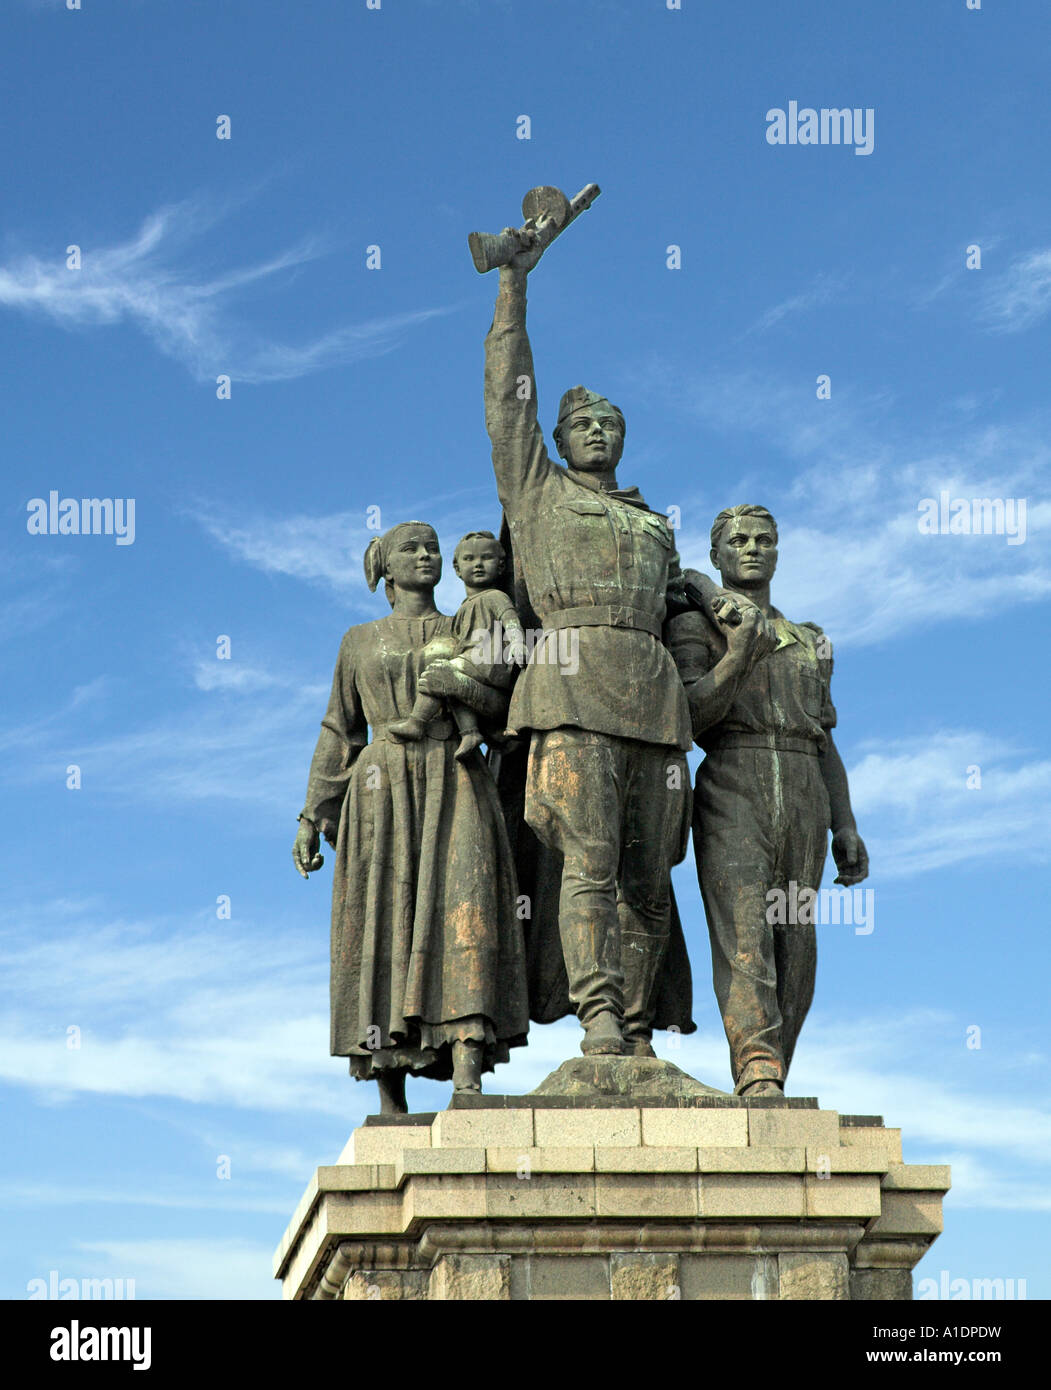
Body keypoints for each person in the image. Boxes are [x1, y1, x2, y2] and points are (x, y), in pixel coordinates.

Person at [482, 235, 699, 1059]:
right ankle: (599, 1014)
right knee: (590, 863)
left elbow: (684, 601)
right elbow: (508, 399)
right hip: (569, 692)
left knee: (649, 879)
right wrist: (513, 286)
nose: (597, 432)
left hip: (654, 700)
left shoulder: (651, 524)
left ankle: (639, 1024)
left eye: (609, 423)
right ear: (562, 439)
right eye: (582, 424)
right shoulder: (536, 491)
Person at [291, 521, 529, 1113]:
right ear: (385, 569)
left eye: (431, 548)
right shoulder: (359, 640)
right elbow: (338, 729)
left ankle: (468, 1075)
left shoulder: (467, 620)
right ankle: (387, 1089)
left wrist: (462, 689)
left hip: (457, 772)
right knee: (384, 918)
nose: (424, 556)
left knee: (465, 909)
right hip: (381, 787)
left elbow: (504, 697)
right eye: (410, 549)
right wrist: (311, 813)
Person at [666, 505, 869, 1098]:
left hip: (805, 784)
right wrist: (737, 649)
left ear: (777, 552)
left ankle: (777, 1063)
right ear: (717, 555)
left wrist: (846, 823)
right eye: (738, 540)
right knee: (745, 928)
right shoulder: (694, 626)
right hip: (734, 774)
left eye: (764, 540)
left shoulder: (812, 639)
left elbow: (825, 736)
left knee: (795, 940)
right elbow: (691, 714)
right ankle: (757, 1067)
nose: (752, 548)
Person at [388, 530, 527, 760]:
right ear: (457, 569)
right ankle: (470, 733)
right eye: (469, 559)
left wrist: (518, 642)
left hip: (487, 661)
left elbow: (510, 619)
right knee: (450, 688)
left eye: (487, 558)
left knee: (437, 673)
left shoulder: (495, 597)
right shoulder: (465, 606)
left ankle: (417, 722)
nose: (478, 565)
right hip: (473, 661)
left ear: (501, 566)